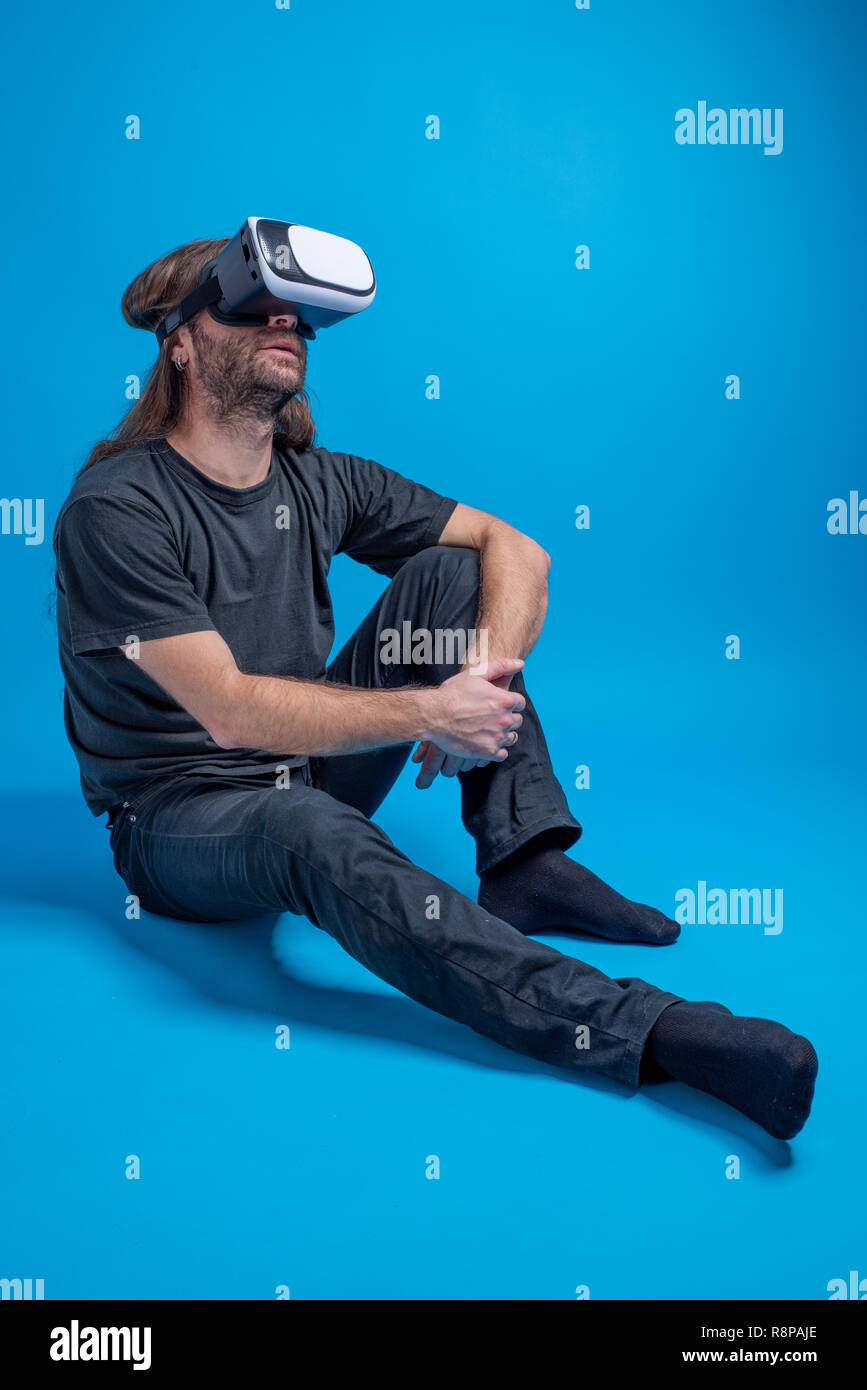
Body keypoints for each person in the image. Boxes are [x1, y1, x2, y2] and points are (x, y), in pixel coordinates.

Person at [52, 232, 818, 1141]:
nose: (283, 324)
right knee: (302, 824)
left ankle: (524, 861)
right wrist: (425, 710)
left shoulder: (321, 479)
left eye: (293, 313)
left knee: (455, 576)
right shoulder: (117, 508)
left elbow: (516, 548)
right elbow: (225, 711)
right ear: (178, 341)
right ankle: (640, 1025)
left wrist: (477, 690)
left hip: (308, 764)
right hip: (181, 814)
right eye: (248, 308)